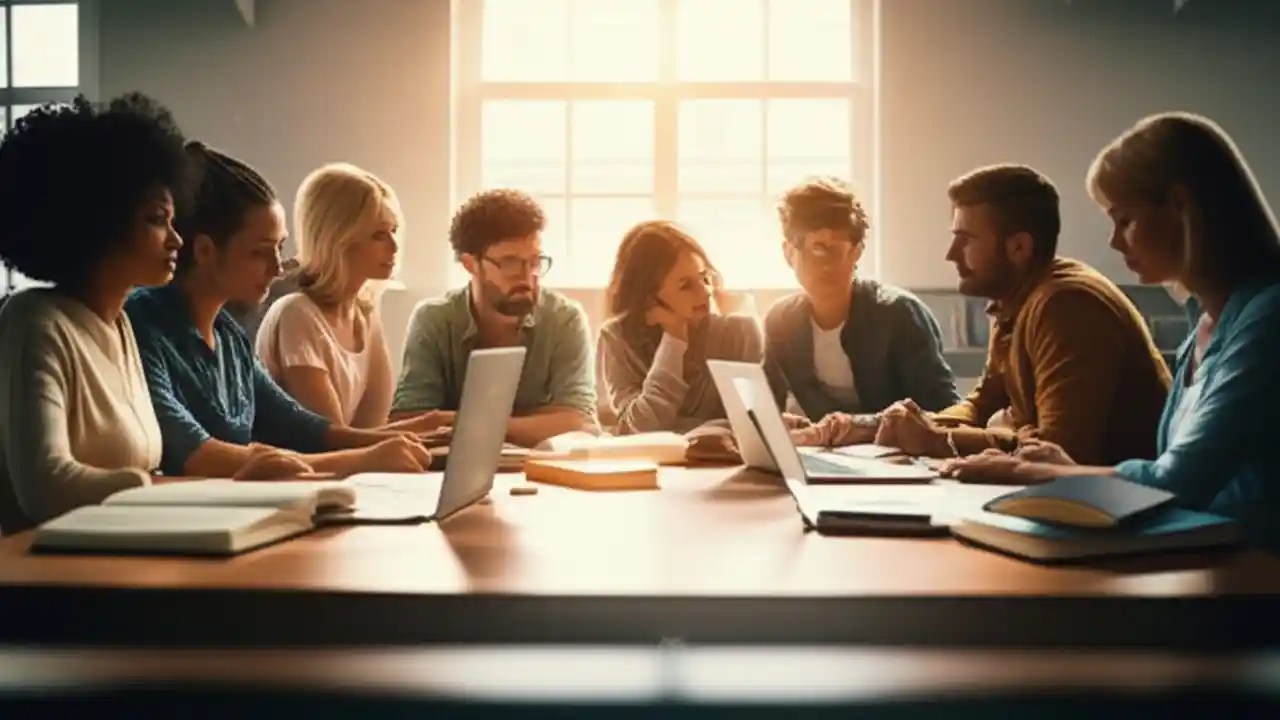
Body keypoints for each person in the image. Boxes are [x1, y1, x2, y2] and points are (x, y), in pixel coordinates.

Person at [943, 114, 1280, 551]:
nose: (1114, 242)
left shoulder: (1267, 318)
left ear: (1181, 207)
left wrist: (1039, 472)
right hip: (1196, 559)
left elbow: (1177, 481)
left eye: (1124, 220)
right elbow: (1165, 470)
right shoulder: (1202, 325)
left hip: (1257, 574)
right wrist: (1064, 468)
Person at [127, 143, 431, 479]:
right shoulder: (142, 325)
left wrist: (411, 440)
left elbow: (301, 427)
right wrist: (362, 459)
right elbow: (195, 453)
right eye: (260, 252)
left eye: (280, 248)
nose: (277, 268)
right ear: (204, 251)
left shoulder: (228, 335)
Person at [854, 165, 1171, 466]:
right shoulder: (1016, 297)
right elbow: (983, 406)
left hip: (1108, 501)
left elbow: (1060, 451)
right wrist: (883, 427)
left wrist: (941, 438)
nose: (950, 254)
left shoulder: (1066, 305)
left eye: (966, 239)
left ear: (1019, 247)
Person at [0, 94, 188, 532]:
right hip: (46, 568)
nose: (176, 239)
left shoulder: (120, 322)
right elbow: (46, 488)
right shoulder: (34, 323)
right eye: (157, 219)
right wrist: (153, 490)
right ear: (102, 220)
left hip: (123, 548)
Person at [391, 189, 597, 448]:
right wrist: (536, 423)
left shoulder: (565, 319)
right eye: (510, 263)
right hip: (448, 467)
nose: (527, 277)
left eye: (535, 262)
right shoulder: (434, 319)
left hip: (539, 466)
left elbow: (579, 422)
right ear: (470, 264)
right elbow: (410, 422)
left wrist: (458, 422)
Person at [255, 163, 450, 432]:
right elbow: (332, 439)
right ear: (339, 238)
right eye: (378, 235)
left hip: (344, 459)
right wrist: (427, 425)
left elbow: (369, 432)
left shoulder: (365, 315)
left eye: (394, 231)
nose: (394, 246)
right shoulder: (296, 314)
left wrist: (435, 430)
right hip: (300, 460)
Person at [765, 177, 959, 444]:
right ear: (789, 253)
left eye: (837, 249)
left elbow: (945, 413)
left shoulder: (899, 315)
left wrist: (856, 428)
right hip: (825, 453)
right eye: (818, 248)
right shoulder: (781, 321)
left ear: (856, 252)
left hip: (899, 455)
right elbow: (767, 404)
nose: (827, 264)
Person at [597, 221, 763, 435]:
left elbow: (755, 424)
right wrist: (674, 340)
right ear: (649, 298)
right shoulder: (617, 338)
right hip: (654, 456)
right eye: (686, 285)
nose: (705, 292)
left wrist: (700, 428)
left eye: (704, 278)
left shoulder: (741, 334)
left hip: (725, 455)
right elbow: (643, 426)